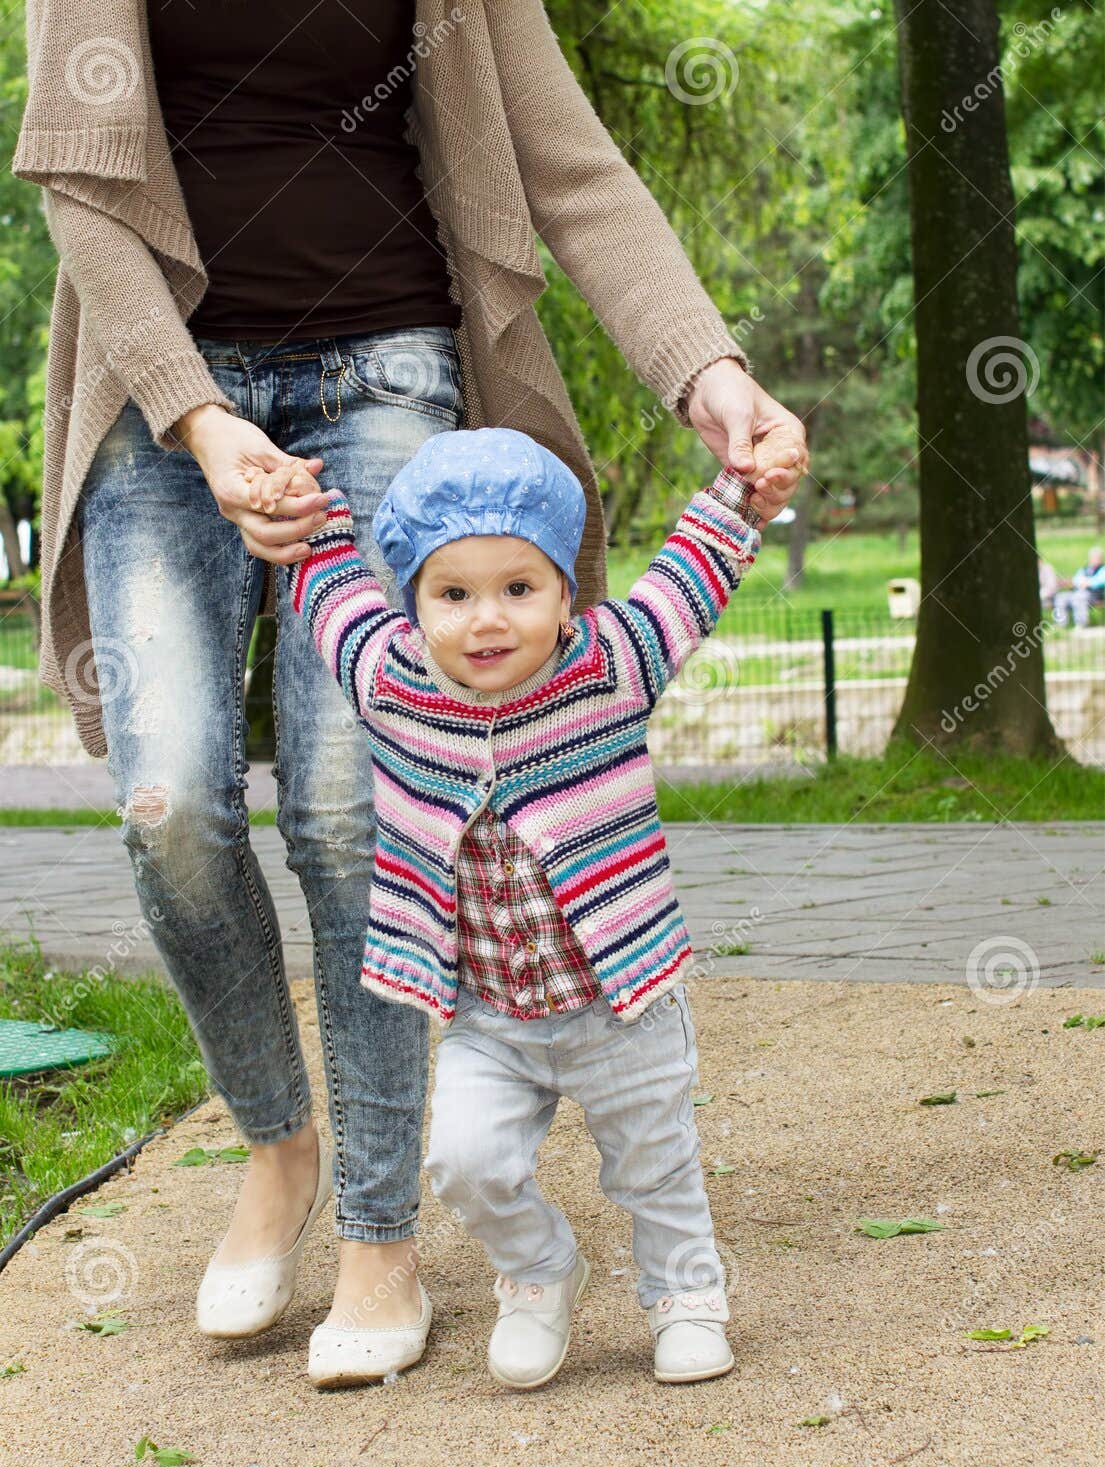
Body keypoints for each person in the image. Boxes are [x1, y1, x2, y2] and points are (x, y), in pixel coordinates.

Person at [14, 0, 807, 1368]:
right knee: (167, 801)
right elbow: (80, 186)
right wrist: (200, 417)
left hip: (384, 366)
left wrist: (709, 375)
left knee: (350, 802)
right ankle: (278, 1140)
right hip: (165, 394)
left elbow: (570, 165)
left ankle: (381, 1240)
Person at [254, 424, 794, 1388]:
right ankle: (540, 1271)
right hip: (486, 1016)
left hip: (619, 1000)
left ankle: (685, 1294)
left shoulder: (611, 665)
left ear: (562, 591)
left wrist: (745, 494)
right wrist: (308, 512)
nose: (487, 620)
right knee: (463, 1162)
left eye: (518, 588)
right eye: (452, 594)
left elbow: (688, 573)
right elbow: (329, 587)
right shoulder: (389, 683)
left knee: (653, 1167)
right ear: (413, 598)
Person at [1052, 546, 1105, 630]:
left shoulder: (1103, 569)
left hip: (1094, 595)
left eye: (1096, 557)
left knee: (1079, 597)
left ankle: (1081, 624)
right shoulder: (1085, 569)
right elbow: (1076, 579)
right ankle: (1061, 625)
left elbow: (1100, 581)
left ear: (1101, 558)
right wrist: (1079, 582)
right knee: (1060, 597)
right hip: (1078, 591)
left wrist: (1089, 582)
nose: (1094, 559)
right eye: (1092, 557)